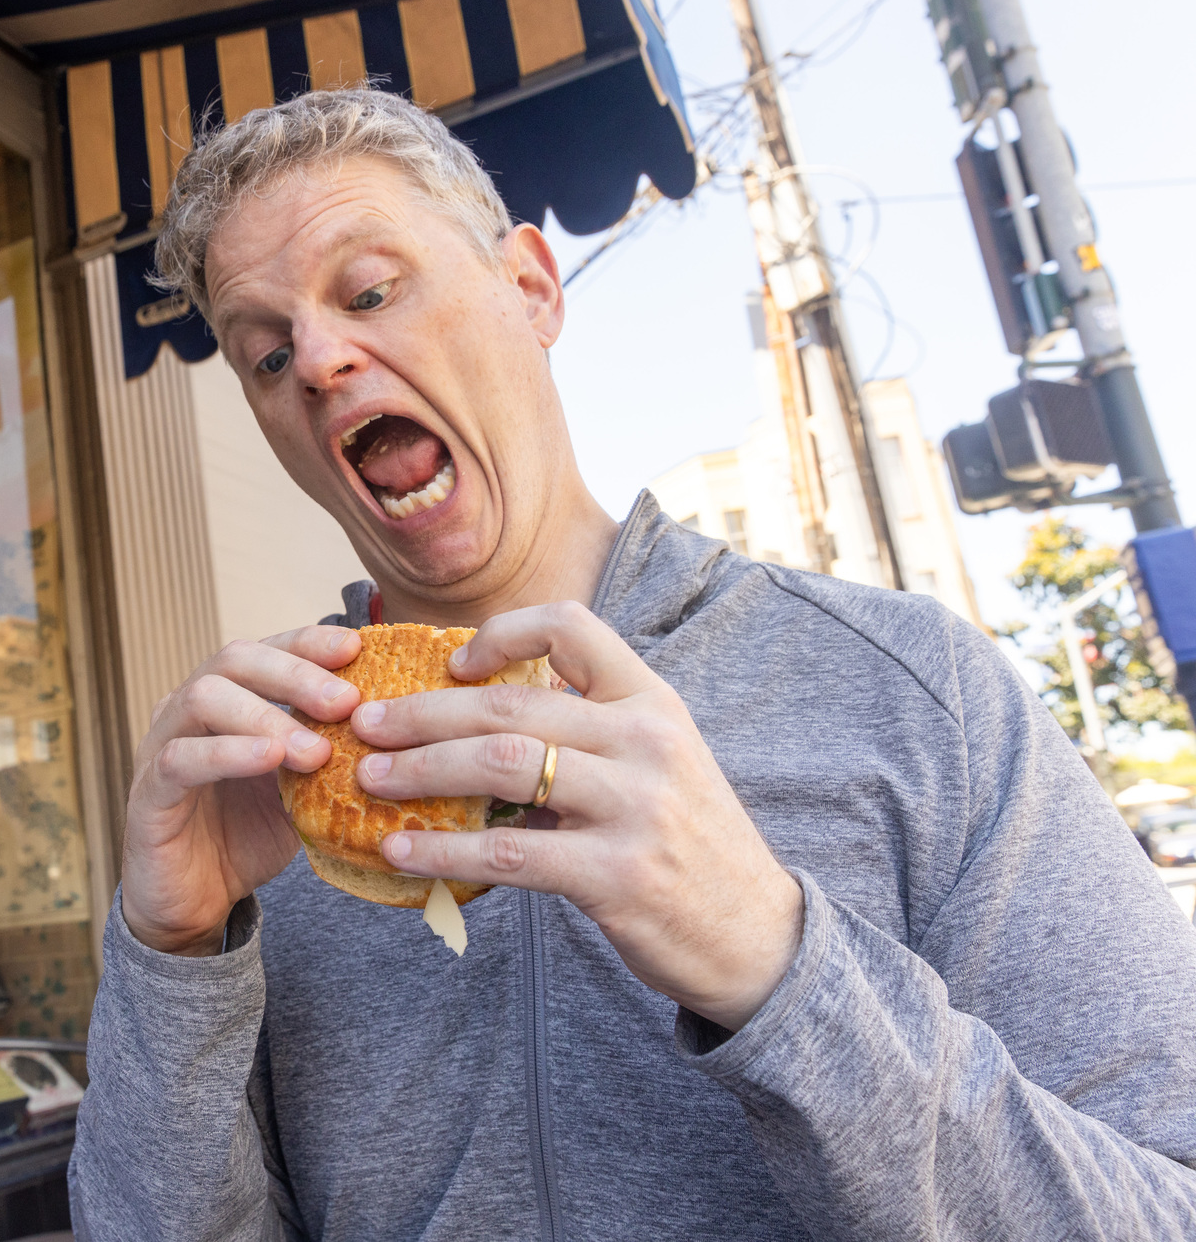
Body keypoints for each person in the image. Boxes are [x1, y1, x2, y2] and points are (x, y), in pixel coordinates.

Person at [66, 88, 1196, 1240]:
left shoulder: (918, 696)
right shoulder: (273, 794)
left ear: (529, 288)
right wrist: (171, 955)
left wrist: (775, 961)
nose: (314, 358)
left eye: (367, 291)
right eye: (263, 354)